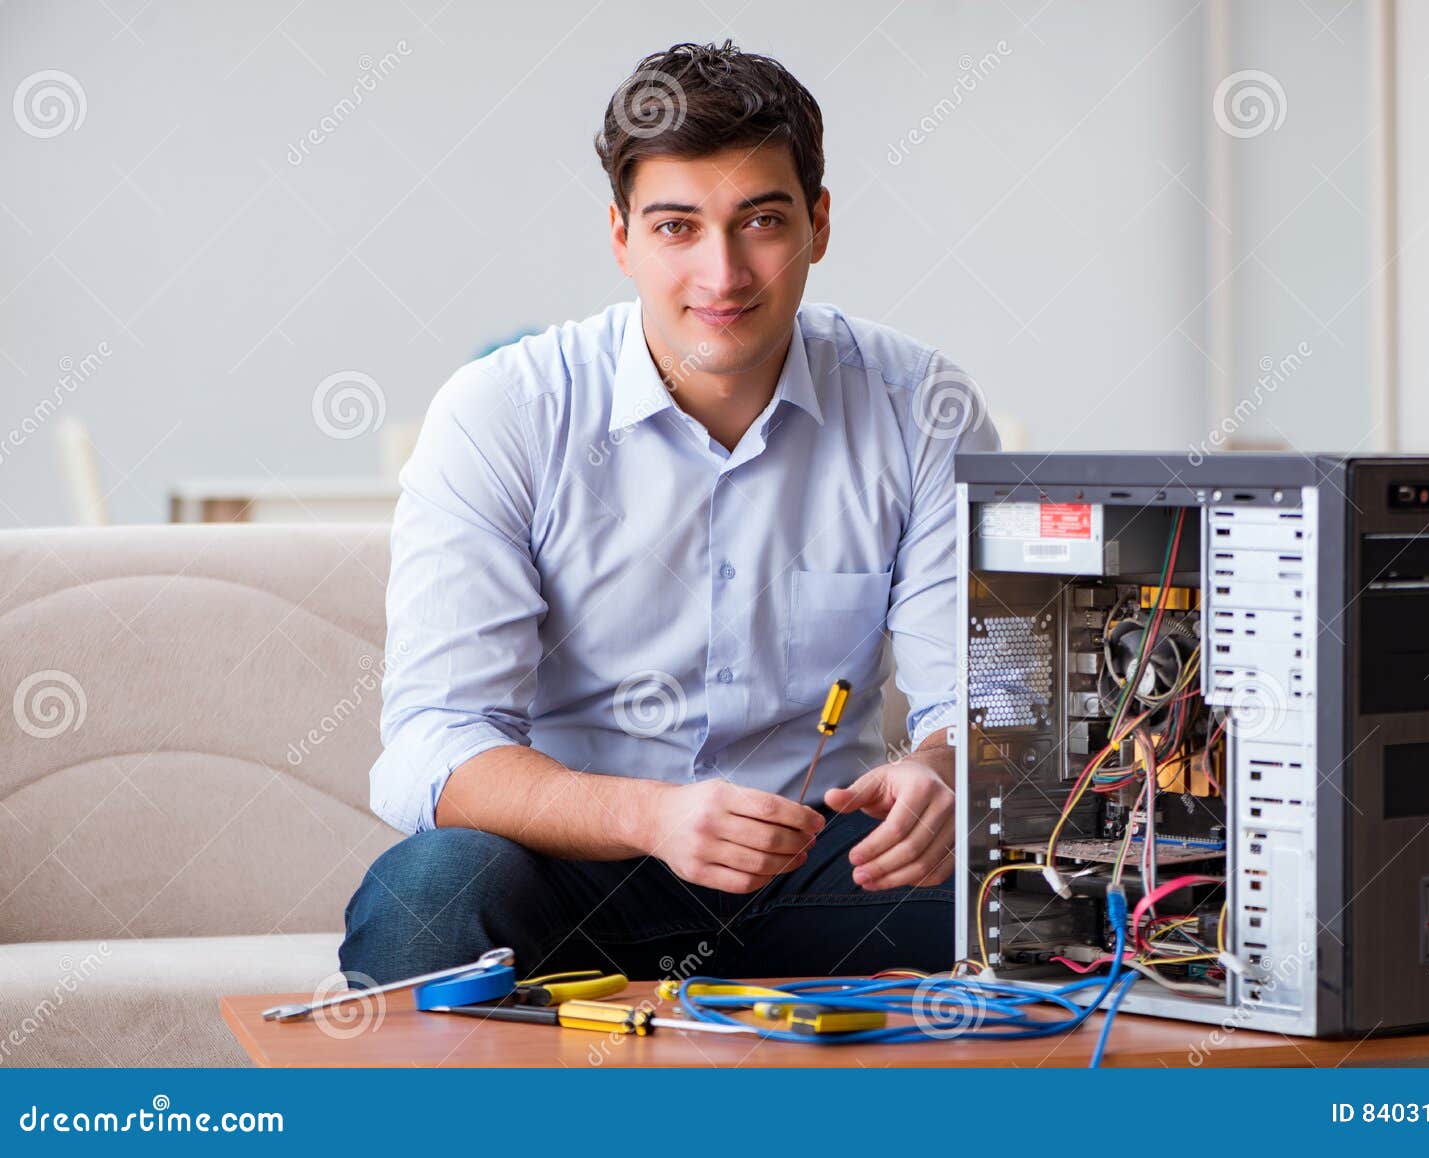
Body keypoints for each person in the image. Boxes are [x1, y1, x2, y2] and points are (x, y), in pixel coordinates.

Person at [339, 40, 998, 987]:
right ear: (622, 238)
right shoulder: (505, 412)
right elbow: (435, 745)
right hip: (571, 871)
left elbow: (977, 714)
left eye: (760, 222)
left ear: (817, 224)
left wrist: (941, 772)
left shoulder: (917, 402)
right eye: (678, 227)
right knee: (427, 893)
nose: (722, 276)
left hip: (819, 866)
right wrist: (649, 816)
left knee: (1035, 890)